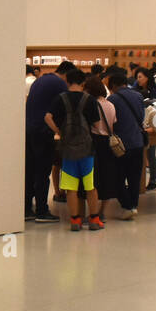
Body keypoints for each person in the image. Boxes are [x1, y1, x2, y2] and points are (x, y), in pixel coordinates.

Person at [45, 70, 100, 230]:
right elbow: (97, 124)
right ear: (83, 83)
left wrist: (59, 131)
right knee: (90, 186)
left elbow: (47, 117)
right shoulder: (89, 100)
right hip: (86, 149)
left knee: (71, 187)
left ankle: (75, 220)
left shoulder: (60, 98)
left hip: (68, 149)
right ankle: (94, 220)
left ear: (67, 82)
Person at [25, 61, 74, 222]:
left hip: (29, 129)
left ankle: (26, 209)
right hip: (43, 132)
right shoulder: (59, 83)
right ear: (67, 75)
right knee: (42, 171)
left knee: (30, 171)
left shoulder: (40, 80)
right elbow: (68, 106)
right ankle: (41, 211)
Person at [107, 72, 145, 218]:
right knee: (134, 177)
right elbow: (141, 117)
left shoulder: (112, 99)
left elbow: (111, 121)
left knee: (117, 177)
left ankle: (127, 205)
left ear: (114, 85)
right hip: (138, 142)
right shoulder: (138, 95)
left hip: (121, 145)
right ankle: (134, 206)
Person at [85, 77, 120, 227]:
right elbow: (114, 123)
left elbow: (93, 123)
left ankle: (92, 211)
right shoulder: (111, 104)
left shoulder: (92, 104)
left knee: (92, 179)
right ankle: (102, 211)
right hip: (108, 142)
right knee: (106, 177)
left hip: (95, 141)